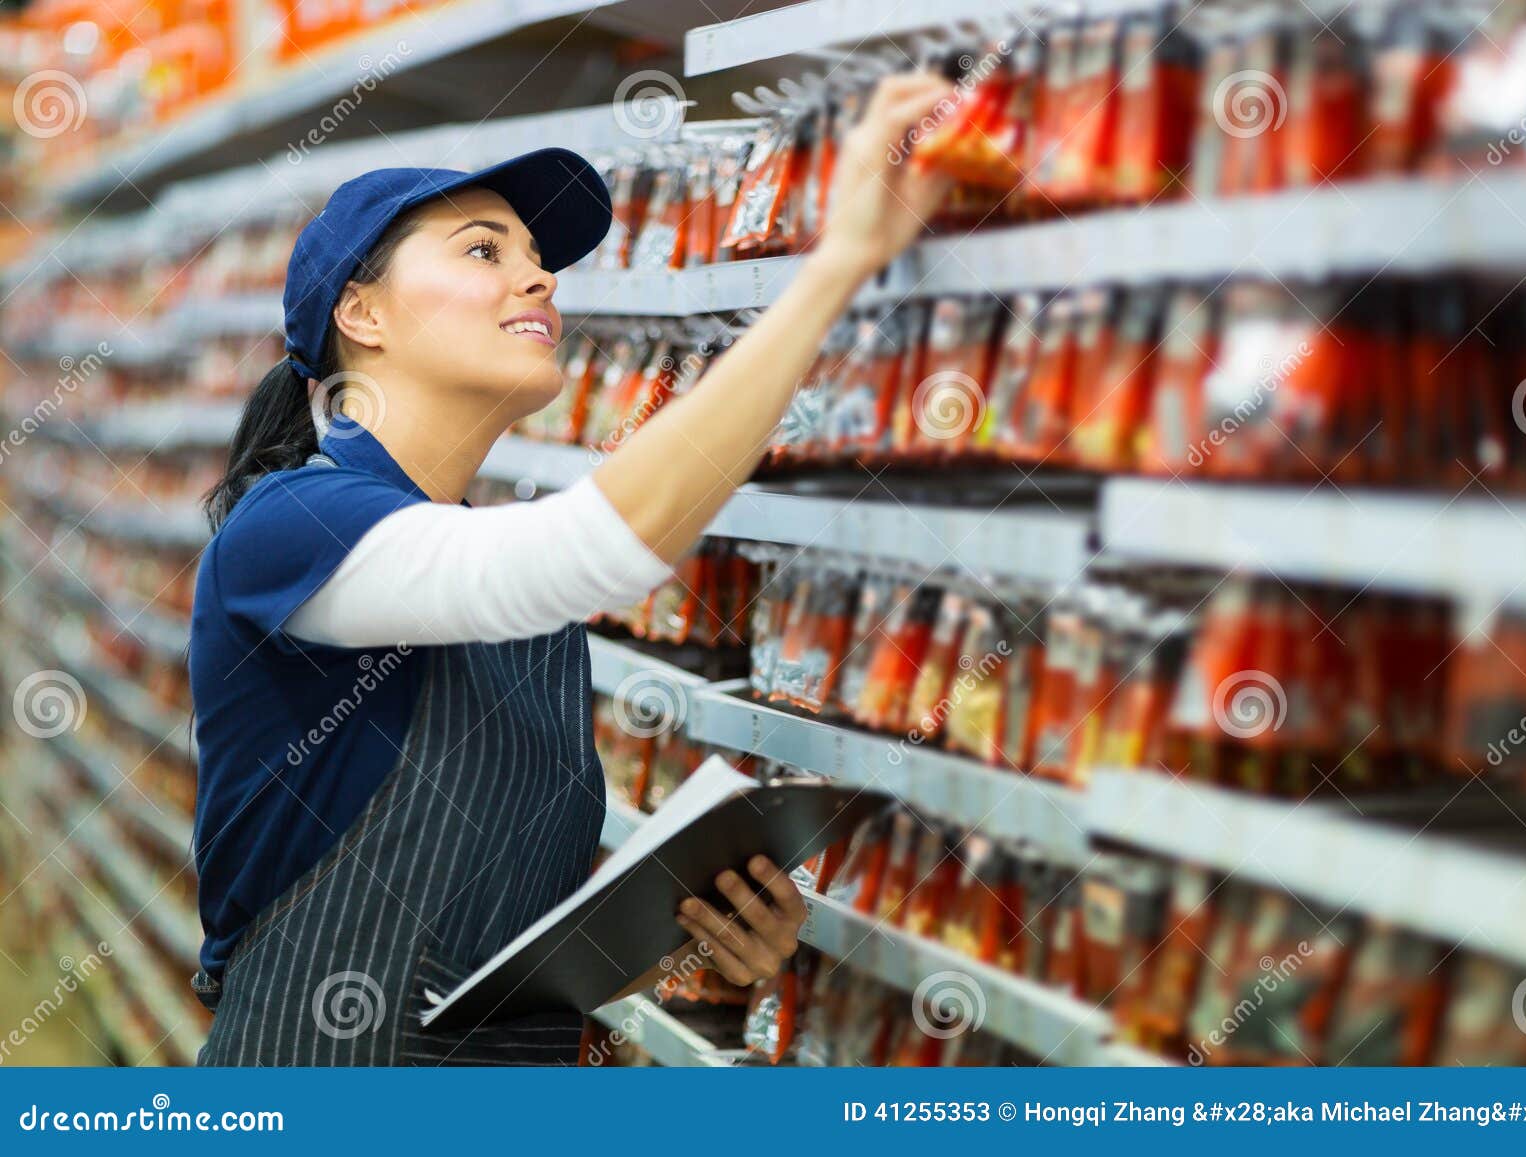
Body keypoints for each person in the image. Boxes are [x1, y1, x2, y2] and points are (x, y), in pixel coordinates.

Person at [186, 72, 954, 1065]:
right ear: (361, 313)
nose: (541, 278)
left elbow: (496, 969)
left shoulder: (527, 625)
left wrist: (695, 941)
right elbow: (592, 545)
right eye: (483, 250)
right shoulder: (292, 524)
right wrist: (835, 264)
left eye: (540, 259)